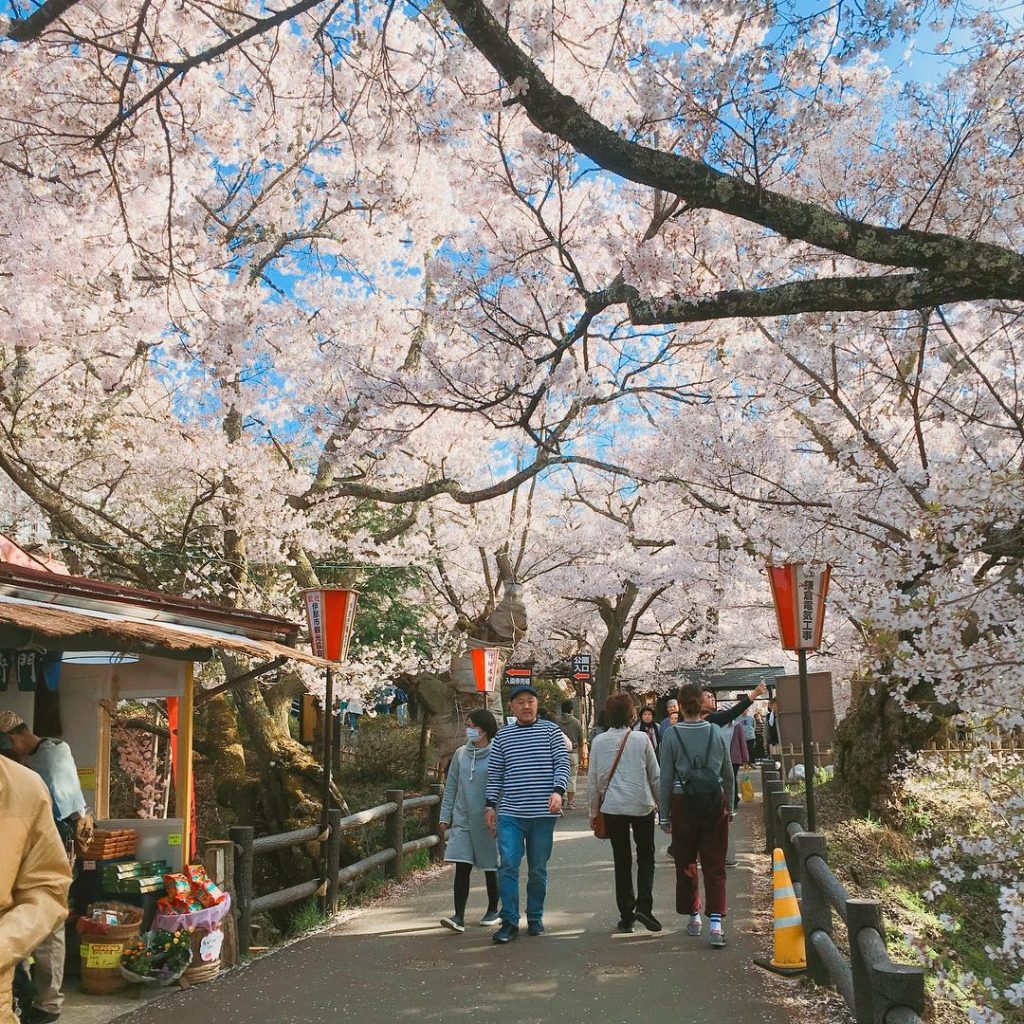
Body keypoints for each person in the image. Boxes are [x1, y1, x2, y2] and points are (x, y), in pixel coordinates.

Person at [1, 712, 90, 1024]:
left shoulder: (43, 764)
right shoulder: (57, 748)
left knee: (48, 924)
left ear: (12, 740)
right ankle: (31, 994)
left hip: (51, 847)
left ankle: (46, 1000)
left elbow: (56, 812)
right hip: (43, 847)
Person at [484, 684, 569, 944]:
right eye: (520, 702)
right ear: (512, 707)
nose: (526, 706)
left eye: (530, 701)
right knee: (508, 864)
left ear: (536, 704)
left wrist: (558, 791)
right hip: (510, 812)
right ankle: (509, 920)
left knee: (537, 869)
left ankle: (534, 916)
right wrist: (490, 805)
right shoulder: (503, 737)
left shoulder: (551, 732)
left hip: (542, 813)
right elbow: (495, 773)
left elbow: (562, 763)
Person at [659, 684, 733, 948]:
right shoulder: (716, 731)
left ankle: (693, 917)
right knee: (715, 863)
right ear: (701, 704)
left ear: (679, 705)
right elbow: (728, 773)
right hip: (715, 800)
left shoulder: (671, 735)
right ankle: (715, 923)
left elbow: (665, 777)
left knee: (686, 861)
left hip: (682, 802)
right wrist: (731, 807)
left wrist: (664, 816)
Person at [588, 694, 661, 933]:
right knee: (646, 856)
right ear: (632, 715)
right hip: (642, 804)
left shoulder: (599, 742)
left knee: (622, 860)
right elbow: (655, 776)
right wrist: (663, 807)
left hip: (613, 808)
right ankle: (644, 906)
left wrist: (593, 811)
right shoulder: (641, 739)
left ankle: (626, 915)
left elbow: (594, 781)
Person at [438, 709, 501, 932]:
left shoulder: (497, 752)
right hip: (463, 817)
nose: (468, 729)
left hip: (489, 818)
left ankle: (494, 909)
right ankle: (458, 916)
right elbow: (452, 786)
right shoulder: (461, 754)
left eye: (472, 725)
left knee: (491, 864)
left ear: (484, 729)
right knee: (461, 864)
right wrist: (445, 816)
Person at [557, 700, 585, 810]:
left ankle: (561, 796)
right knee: (572, 777)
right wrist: (581, 753)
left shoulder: (557, 722)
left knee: (559, 775)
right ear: (571, 709)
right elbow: (581, 740)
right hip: (573, 753)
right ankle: (570, 802)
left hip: (559, 752)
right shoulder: (576, 722)